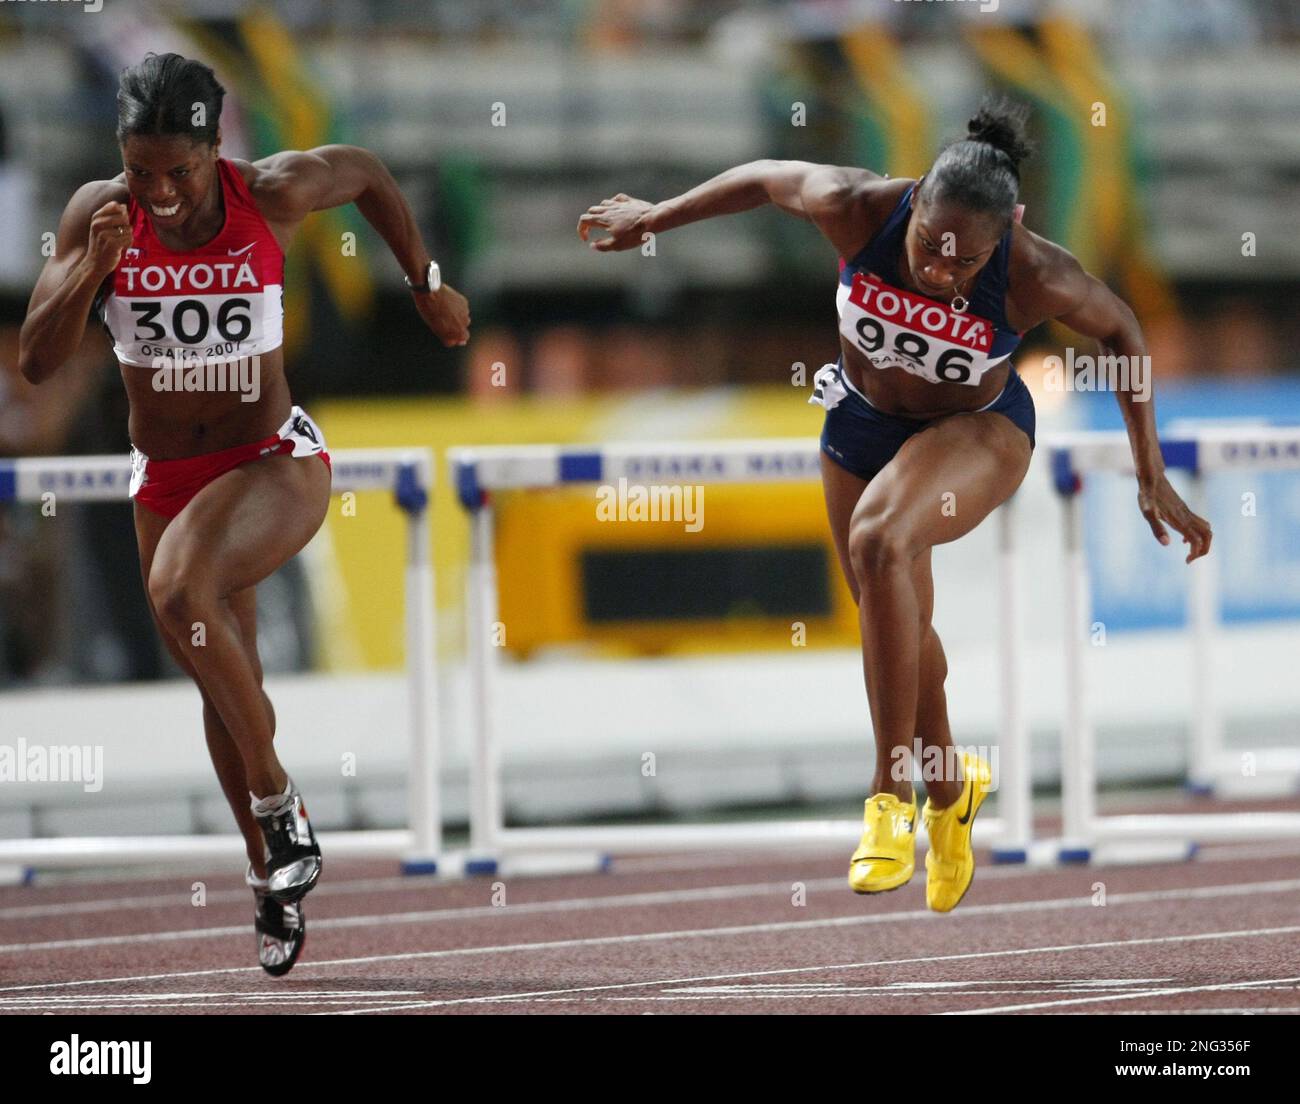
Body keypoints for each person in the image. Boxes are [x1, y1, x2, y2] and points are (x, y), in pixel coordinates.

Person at [579, 99, 1212, 913]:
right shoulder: (857, 207)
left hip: (974, 430)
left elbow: (1122, 329)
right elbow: (767, 179)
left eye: (965, 264)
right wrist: (656, 216)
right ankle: (953, 788)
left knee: (879, 543)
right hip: (860, 421)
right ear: (911, 206)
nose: (942, 274)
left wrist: (1149, 467)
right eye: (929, 253)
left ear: (1005, 234)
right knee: (895, 617)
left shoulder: (1035, 272)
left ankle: (890, 798)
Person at [18, 53, 470, 974]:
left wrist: (425, 284)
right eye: (141, 171)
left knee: (180, 589)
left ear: (212, 147)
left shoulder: (273, 193)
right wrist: (90, 271)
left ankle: (277, 806)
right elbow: (36, 360)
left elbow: (373, 176)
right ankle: (273, 877)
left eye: (177, 172)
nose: (160, 192)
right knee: (221, 678)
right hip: (169, 477)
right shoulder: (97, 215)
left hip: (270, 460)